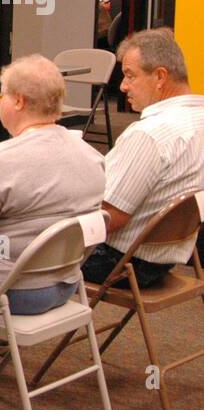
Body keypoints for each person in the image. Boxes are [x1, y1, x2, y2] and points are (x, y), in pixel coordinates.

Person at [0, 55, 104, 313]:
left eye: (1, 96)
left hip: (7, 293)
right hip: (65, 285)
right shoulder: (93, 157)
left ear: (18, 101)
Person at [83, 28, 204, 288]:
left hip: (118, 263)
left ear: (160, 76)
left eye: (130, 75)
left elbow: (110, 217)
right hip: (165, 257)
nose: (123, 86)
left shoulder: (149, 135)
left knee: (7, 247)